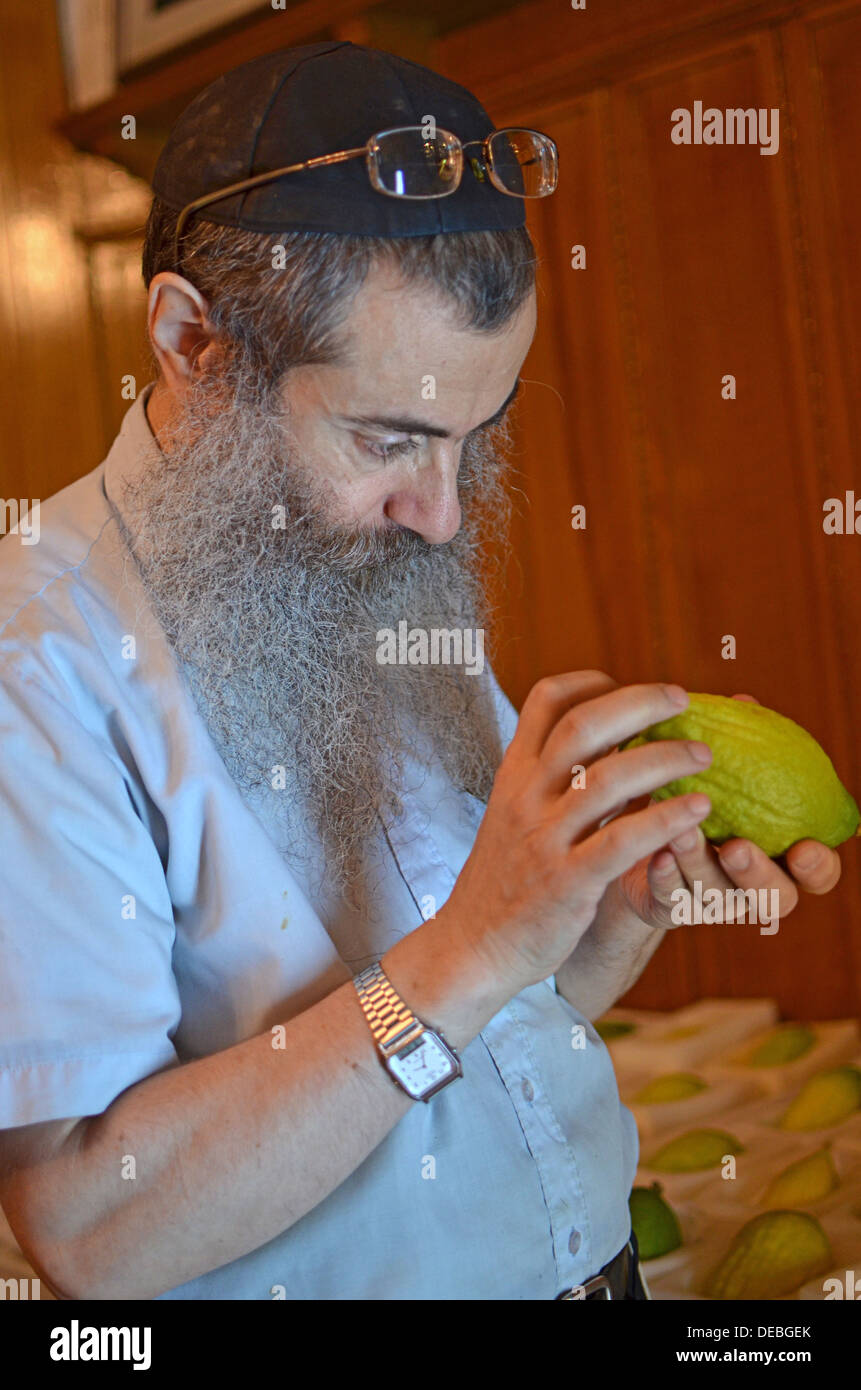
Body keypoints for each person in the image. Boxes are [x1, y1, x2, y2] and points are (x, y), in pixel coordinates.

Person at [0, 41, 842, 1301]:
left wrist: (605, 913)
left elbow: (493, 1020)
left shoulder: (355, 549)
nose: (442, 517)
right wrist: (470, 952)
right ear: (193, 343)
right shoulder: (39, 662)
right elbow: (89, 1231)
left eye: (475, 435)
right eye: (388, 437)